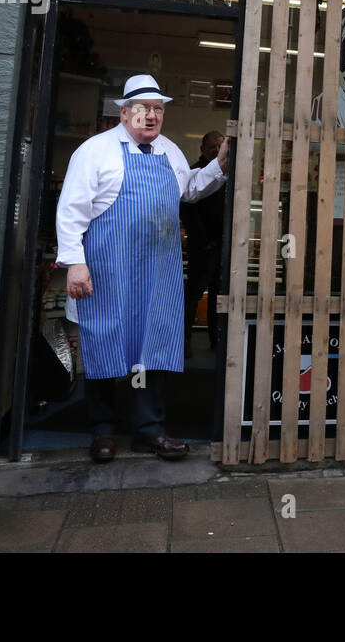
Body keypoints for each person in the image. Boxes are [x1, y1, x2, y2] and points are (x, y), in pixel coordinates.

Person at [57, 74, 231, 462]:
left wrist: (218, 166)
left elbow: (190, 191)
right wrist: (74, 263)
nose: (151, 116)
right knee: (104, 344)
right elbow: (70, 211)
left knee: (151, 348)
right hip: (107, 271)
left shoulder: (169, 151)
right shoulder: (95, 151)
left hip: (156, 272)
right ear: (125, 112)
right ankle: (102, 432)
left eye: (157, 109)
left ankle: (149, 431)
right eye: (143, 109)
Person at [181, 130, 227, 358]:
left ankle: (215, 341)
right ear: (202, 149)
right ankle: (185, 341)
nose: (217, 151)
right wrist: (203, 242)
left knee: (218, 298)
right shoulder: (193, 172)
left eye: (220, 147)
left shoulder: (228, 174)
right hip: (202, 246)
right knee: (194, 295)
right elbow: (188, 212)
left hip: (222, 247)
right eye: (212, 147)